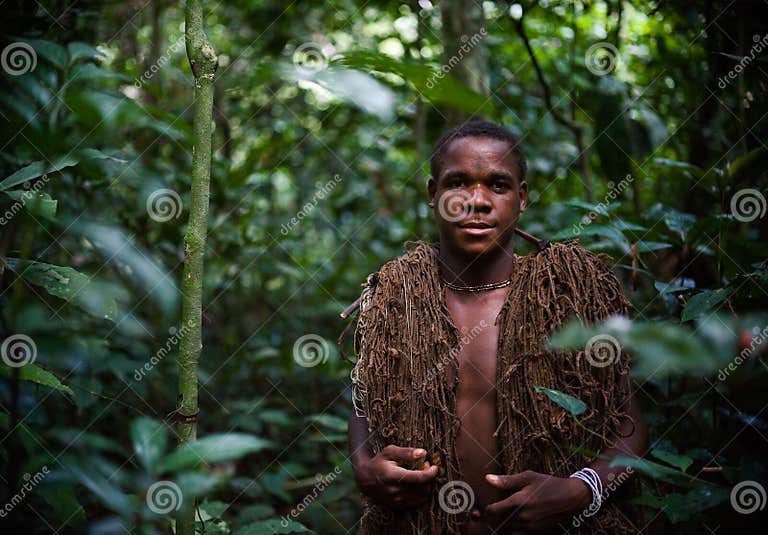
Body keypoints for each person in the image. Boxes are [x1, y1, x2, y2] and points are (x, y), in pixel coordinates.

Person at [345, 119, 648, 534]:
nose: (477, 200)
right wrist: (364, 466)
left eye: (498, 185)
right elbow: (362, 403)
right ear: (434, 194)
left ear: (521, 198)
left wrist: (581, 490)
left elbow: (629, 426)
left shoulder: (569, 293)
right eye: (458, 183)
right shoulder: (395, 297)